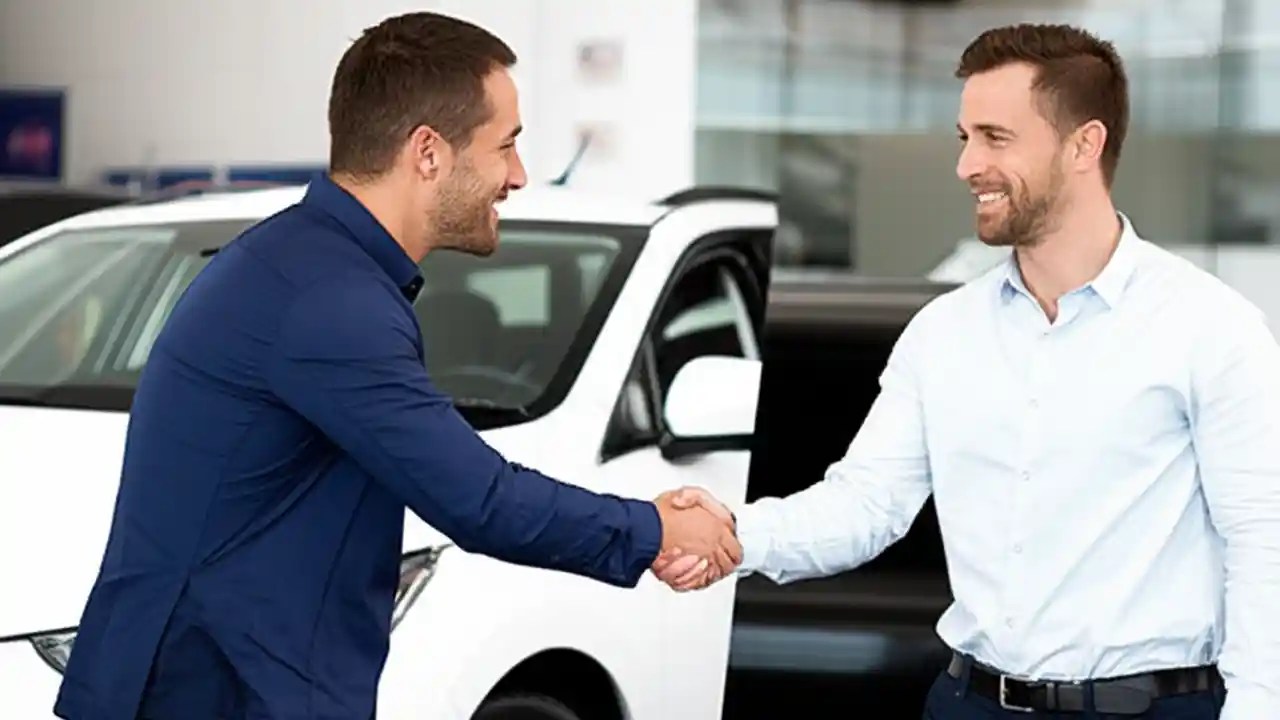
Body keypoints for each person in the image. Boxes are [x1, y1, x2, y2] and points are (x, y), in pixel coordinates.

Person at [53, 11, 738, 720]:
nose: (518, 175)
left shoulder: (304, 268)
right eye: (506, 145)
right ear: (428, 153)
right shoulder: (328, 300)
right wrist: (654, 530)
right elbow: (481, 501)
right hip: (215, 697)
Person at [654, 22, 1280, 720]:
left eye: (995, 138)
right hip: (968, 702)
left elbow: (1265, 541)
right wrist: (732, 534)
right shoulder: (942, 333)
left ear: (1085, 145)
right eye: (964, 137)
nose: (966, 165)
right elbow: (865, 506)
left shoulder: (1209, 328)